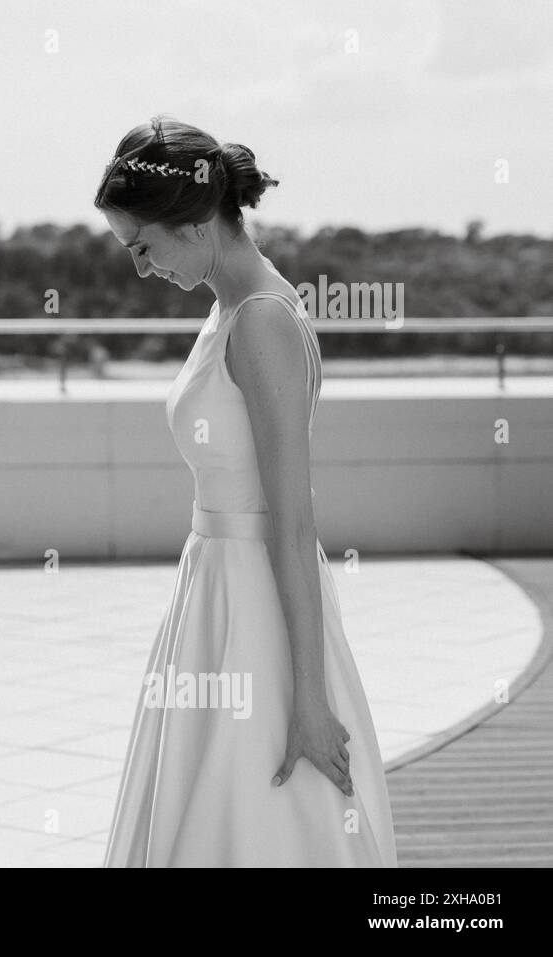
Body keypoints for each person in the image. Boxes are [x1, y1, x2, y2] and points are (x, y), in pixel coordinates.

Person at [94, 116, 396, 866]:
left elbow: (293, 523)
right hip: (214, 593)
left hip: (253, 604)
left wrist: (308, 698)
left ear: (193, 222)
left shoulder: (260, 321)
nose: (140, 269)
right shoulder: (233, 307)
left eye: (142, 246)